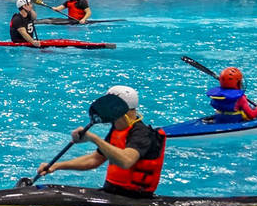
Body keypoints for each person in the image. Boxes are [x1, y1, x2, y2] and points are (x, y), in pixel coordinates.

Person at [37, 85, 166, 199]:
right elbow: (95, 159)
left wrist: (93, 138)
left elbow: (126, 161)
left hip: (135, 198)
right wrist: (56, 166)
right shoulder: (117, 129)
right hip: (111, 192)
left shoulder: (142, 134)